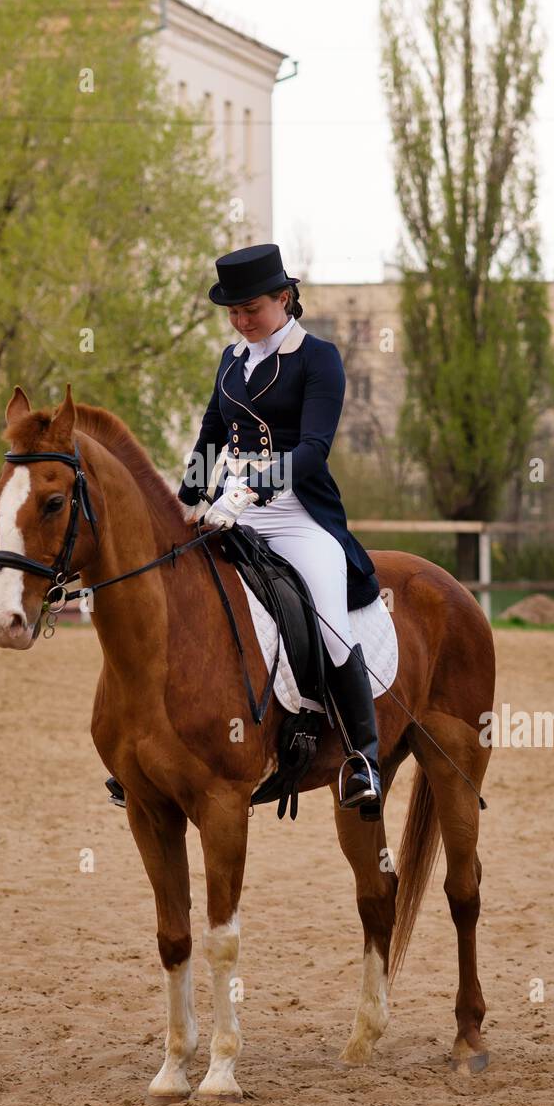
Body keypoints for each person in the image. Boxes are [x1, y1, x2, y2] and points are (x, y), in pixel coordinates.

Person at [176, 242, 382, 818]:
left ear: (284, 299)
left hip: (296, 515)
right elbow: (211, 436)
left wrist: (249, 490)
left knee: (330, 626)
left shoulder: (319, 358)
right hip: (227, 509)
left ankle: (361, 758)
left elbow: (315, 447)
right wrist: (188, 495)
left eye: (252, 310)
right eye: (233, 313)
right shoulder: (230, 359)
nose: (242, 322)